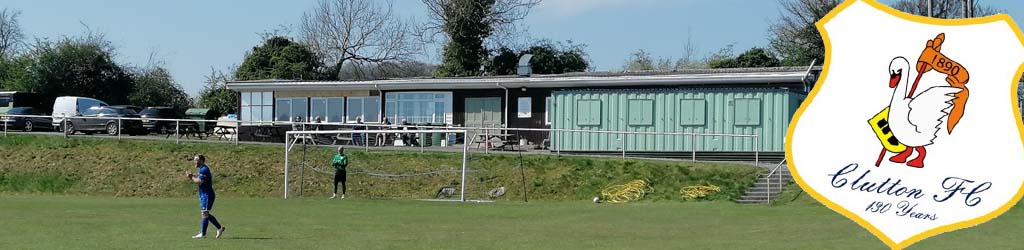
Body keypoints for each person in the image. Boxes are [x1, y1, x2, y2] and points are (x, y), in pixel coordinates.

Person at [185, 154, 226, 239]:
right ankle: (219, 228)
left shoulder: (204, 169)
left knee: (204, 213)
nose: (194, 162)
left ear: (201, 161)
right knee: (205, 213)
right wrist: (192, 177)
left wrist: (191, 177)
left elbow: (199, 182)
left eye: (196, 160)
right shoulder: (202, 169)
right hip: (204, 194)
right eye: (194, 160)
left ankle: (203, 234)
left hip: (207, 195)